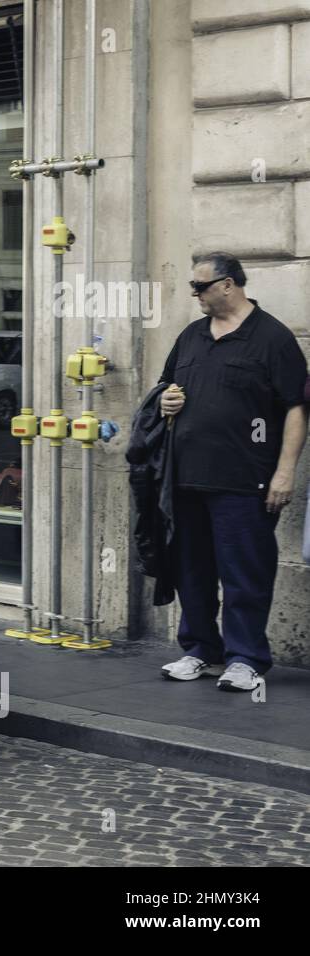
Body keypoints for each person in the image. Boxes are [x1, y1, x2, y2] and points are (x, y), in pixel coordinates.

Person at [157, 252, 308, 691]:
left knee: (245, 573)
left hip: (246, 481)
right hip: (186, 479)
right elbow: (166, 387)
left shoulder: (272, 338)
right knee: (192, 571)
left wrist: (284, 474)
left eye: (199, 287)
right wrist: (166, 401)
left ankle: (247, 659)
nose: (194, 295)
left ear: (227, 285)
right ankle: (201, 649)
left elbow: (297, 409)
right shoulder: (191, 336)